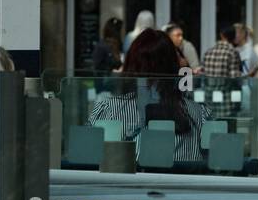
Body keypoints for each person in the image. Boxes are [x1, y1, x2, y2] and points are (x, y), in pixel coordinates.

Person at [88, 28, 210, 162]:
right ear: (173, 67)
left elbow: (88, 161)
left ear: (131, 66)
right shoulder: (200, 115)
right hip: (183, 182)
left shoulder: (107, 111)